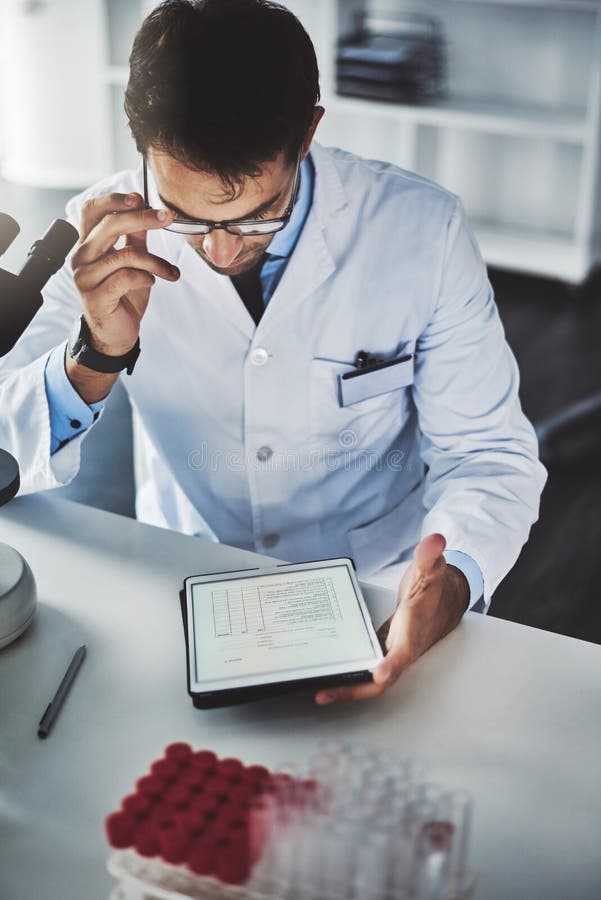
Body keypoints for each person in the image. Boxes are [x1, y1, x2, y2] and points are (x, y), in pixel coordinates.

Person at [0, 0, 546, 704]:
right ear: (139, 145)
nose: (221, 250)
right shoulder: (97, 231)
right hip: (188, 569)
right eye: (189, 216)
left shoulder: (421, 230)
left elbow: (489, 455)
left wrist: (453, 579)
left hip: (379, 582)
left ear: (309, 130)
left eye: (258, 215)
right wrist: (94, 359)